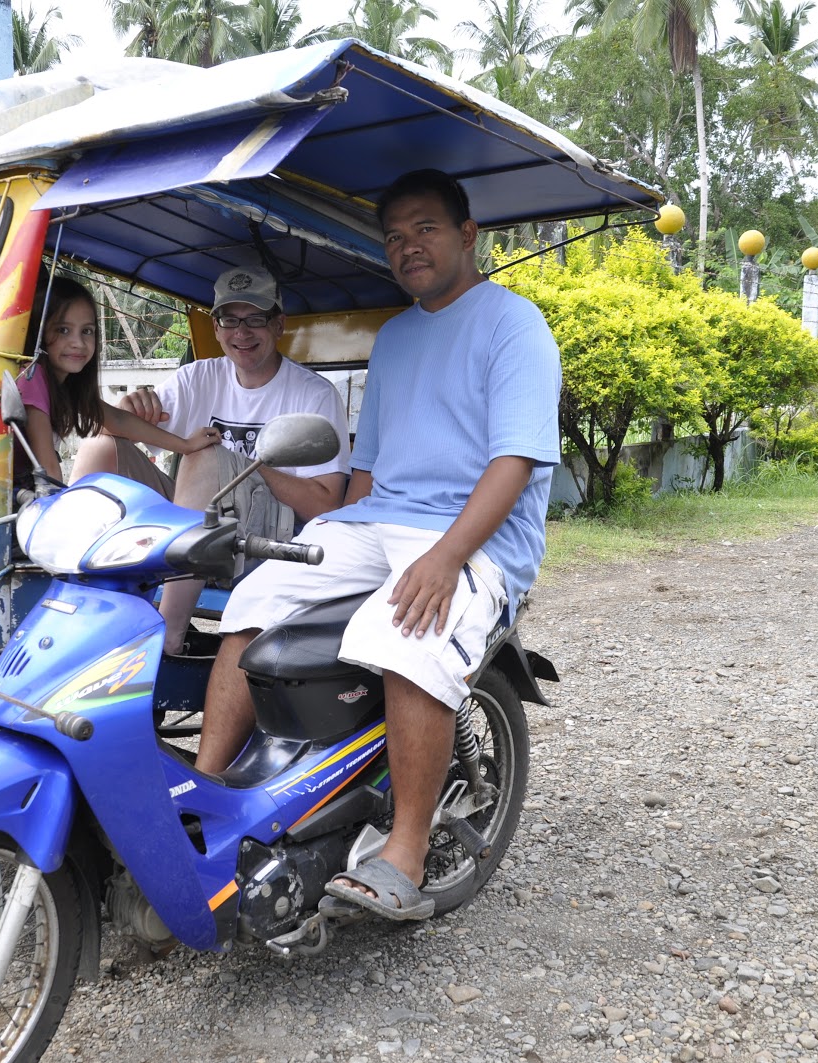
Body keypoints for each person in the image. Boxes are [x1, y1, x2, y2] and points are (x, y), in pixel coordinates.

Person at [194, 170, 563, 923]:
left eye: (425, 229)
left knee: (406, 631)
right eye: (395, 236)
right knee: (256, 596)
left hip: (473, 534)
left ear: (468, 235)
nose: (408, 247)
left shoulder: (514, 323)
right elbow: (366, 470)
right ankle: (205, 797)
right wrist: (335, 537)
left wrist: (446, 557)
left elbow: (515, 459)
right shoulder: (395, 337)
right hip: (380, 521)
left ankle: (406, 850)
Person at [72, 266, 351, 654]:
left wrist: (237, 464)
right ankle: (82, 605)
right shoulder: (197, 378)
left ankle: (168, 638)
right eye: (230, 320)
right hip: (198, 522)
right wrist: (130, 409)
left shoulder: (313, 393)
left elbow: (326, 504)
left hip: (269, 535)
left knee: (204, 457)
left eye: (255, 319)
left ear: (278, 324)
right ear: (216, 327)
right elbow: (110, 426)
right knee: (99, 446)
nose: (242, 332)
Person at [15, 275, 220, 492]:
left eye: (87, 331)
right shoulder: (32, 376)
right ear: (39, 332)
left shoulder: (67, 385)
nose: (78, 343)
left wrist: (186, 445)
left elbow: (118, 420)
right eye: (63, 330)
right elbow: (48, 470)